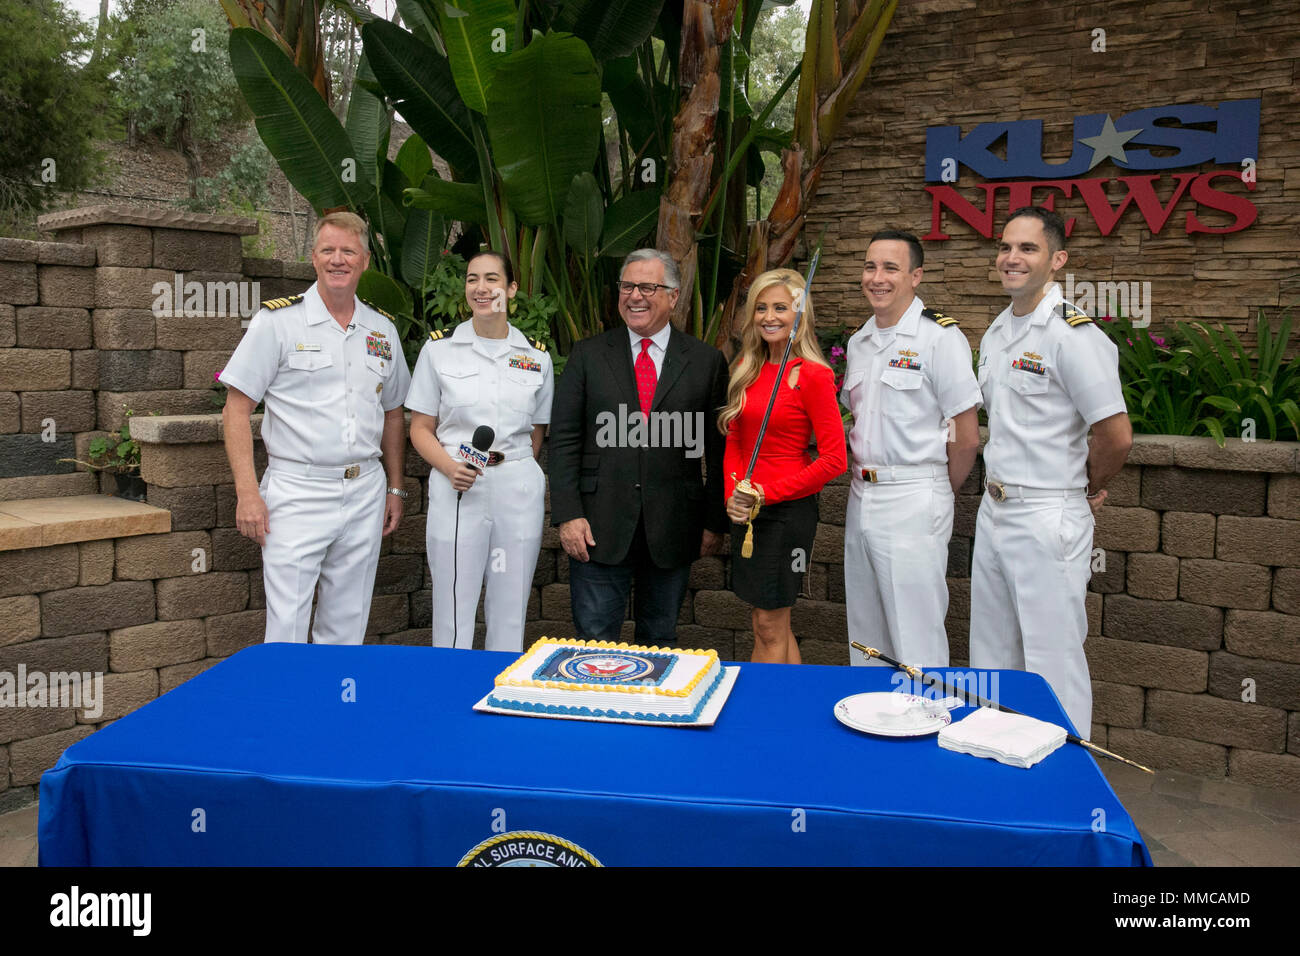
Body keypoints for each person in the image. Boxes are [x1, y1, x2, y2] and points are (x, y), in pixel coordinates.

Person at [970, 206, 1132, 735]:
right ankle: (1000, 767)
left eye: (1028, 248)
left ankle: (1065, 789)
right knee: (991, 659)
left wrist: (1091, 486)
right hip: (994, 511)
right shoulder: (997, 331)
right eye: (1006, 247)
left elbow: (1115, 433)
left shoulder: (1072, 335)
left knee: (1052, 660)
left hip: (1046, 513)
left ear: (1057, 260)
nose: (1011, 258)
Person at [220, 211, 412, 644]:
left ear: (365, 261)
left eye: (348, 251)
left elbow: (394, 411)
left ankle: (334, 710)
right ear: (313, 258)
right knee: (287, 625)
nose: (337, 260)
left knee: (347, 624)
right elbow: (236, 409)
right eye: (328, 250)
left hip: (365, 491)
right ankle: (285, 712)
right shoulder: (278, 323)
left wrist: (395, 488)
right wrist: (248, 494)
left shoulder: (382, 329)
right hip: (297, 492)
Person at [549, 249, 729, 645]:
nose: (636, 296)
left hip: (674, 528)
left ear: (674, 296)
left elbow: (718, 451)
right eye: (628, 286)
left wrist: (715, 521)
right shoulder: (588, 355)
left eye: (649, 287)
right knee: (593, 641)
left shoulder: (706, 361)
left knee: (661, 641)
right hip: (597, 526)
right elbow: (563, 439)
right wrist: (567, 515)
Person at [841, 230, 982, 669]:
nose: (877, 278)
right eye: (870, 266)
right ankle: (869, 727)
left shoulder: (939, 338)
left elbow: (967, 434)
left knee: (915, 636)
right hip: (861, 494)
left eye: (890, 268)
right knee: (866, 636)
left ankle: (924, 726)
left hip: (914, 494)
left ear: (916, 275)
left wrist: (937, 486)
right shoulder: (859, 341)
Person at [406, 251, 553, 650]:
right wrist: (449, 467)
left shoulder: (536, 357)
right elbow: (420, 428)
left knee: (510, 604)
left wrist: (512, 471)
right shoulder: (439, 351)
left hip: (517, 487)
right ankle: (450, 692)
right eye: (472, 279)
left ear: (511, 289)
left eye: (491, 279)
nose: (481, 288)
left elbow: (536, 433)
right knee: (454, 600)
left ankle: (501, 696)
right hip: (458, 484)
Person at [721, 269, 846, 664]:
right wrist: (733, 496)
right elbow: (736, 442)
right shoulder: (746, 366)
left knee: (769, 624)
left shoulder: (813, 375)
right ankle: (790, 708)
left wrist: (765, 494)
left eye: (780, 307)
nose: (769, 316)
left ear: (799, 314)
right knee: (767, 621)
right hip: (747, 513)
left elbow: (834, 459)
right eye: (761, 308)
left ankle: (763, 717)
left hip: (786, 512)